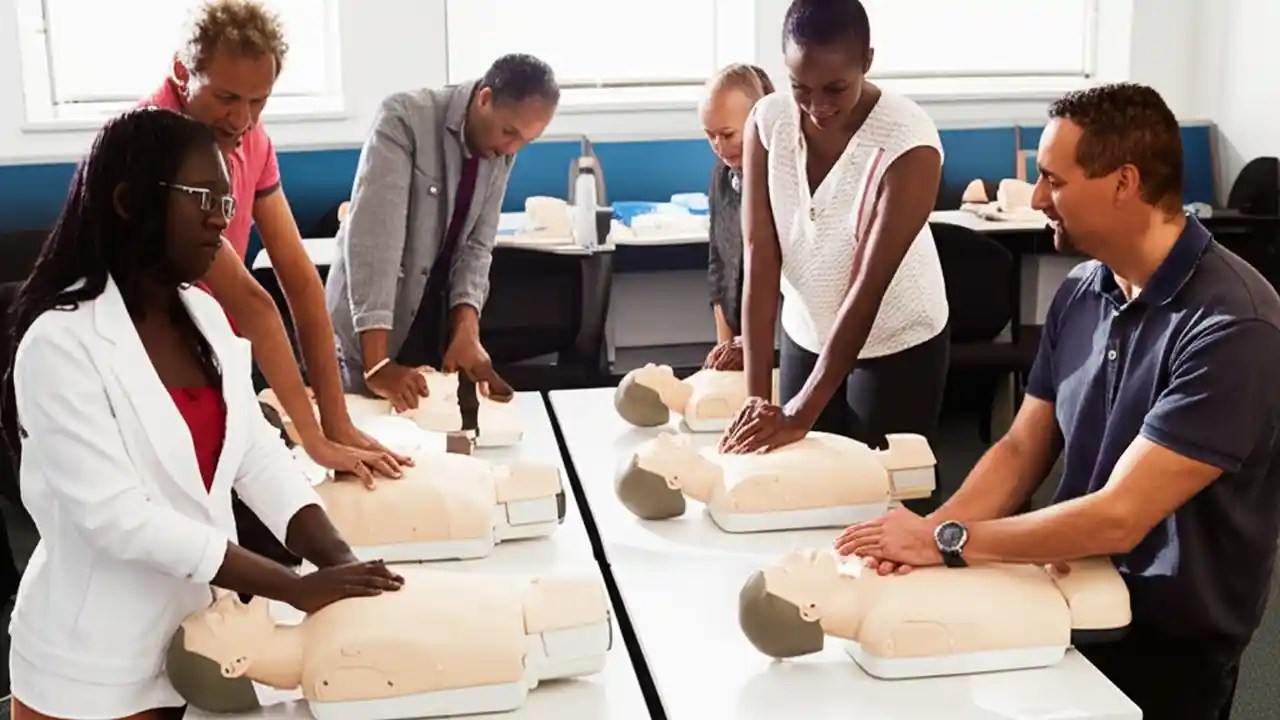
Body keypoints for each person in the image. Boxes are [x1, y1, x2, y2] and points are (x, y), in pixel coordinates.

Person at [834, 83, 1280, 720]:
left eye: (1053, 180)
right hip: (1061, 594)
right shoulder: (1082, 288)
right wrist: (930, 536)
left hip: (1169, 639)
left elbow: (1121, 517)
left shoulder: (1235, 326)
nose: (1039, 199)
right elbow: (1021, 449)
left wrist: (949, 541)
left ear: (1124, 182)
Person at [2, 107, 404, 720]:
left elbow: (255, 455)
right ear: (129, 201)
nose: (225, 217)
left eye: (226, 198)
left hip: (195, 639)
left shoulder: (205, 317)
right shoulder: (59, 345)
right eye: (203, 198)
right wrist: (292, 586)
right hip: (92, 665)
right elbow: (118, 517)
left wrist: (339, 559)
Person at [141, 0, 405, 483]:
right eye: (226, 97)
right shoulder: (153, 143)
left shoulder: (251, 138)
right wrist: (317, 442)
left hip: (207, 349)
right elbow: (251, 302)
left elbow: (300, 280)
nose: (241, 119)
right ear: (183, 72)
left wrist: (337, 420)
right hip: (139, 367)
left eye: (257, 101)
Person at [719, 0, 950, 462]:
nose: (817, 106)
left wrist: (800, 413)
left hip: (896, 339)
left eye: (835, 88)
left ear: (867, 61)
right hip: (807, 331)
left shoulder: (909, 143)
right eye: (800, 86)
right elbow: (761, 259)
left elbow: (868, 289)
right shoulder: (768, 122)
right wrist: (757, 401)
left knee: (885, 490)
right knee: (800, 478)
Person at [326, 54, 558, 412]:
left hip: (429, 312)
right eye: (509, 132)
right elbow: (375, 244)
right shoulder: (404, 119)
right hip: (371, 320)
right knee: (367, 431)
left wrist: (466, 328)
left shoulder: (501, 148)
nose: (512, 149)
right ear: (484, 98)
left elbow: (477, 246)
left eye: (525, 141)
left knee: (426, 439)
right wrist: (376, 364)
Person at [700, 63, 775, 347]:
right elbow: (718, 262)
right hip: (741, 340)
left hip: (780, 342)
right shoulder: (722, 176)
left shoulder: (782, 182)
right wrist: (724, 346)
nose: (719, 145)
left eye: (728, 134)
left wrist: (750, 345)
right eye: (710, 135)